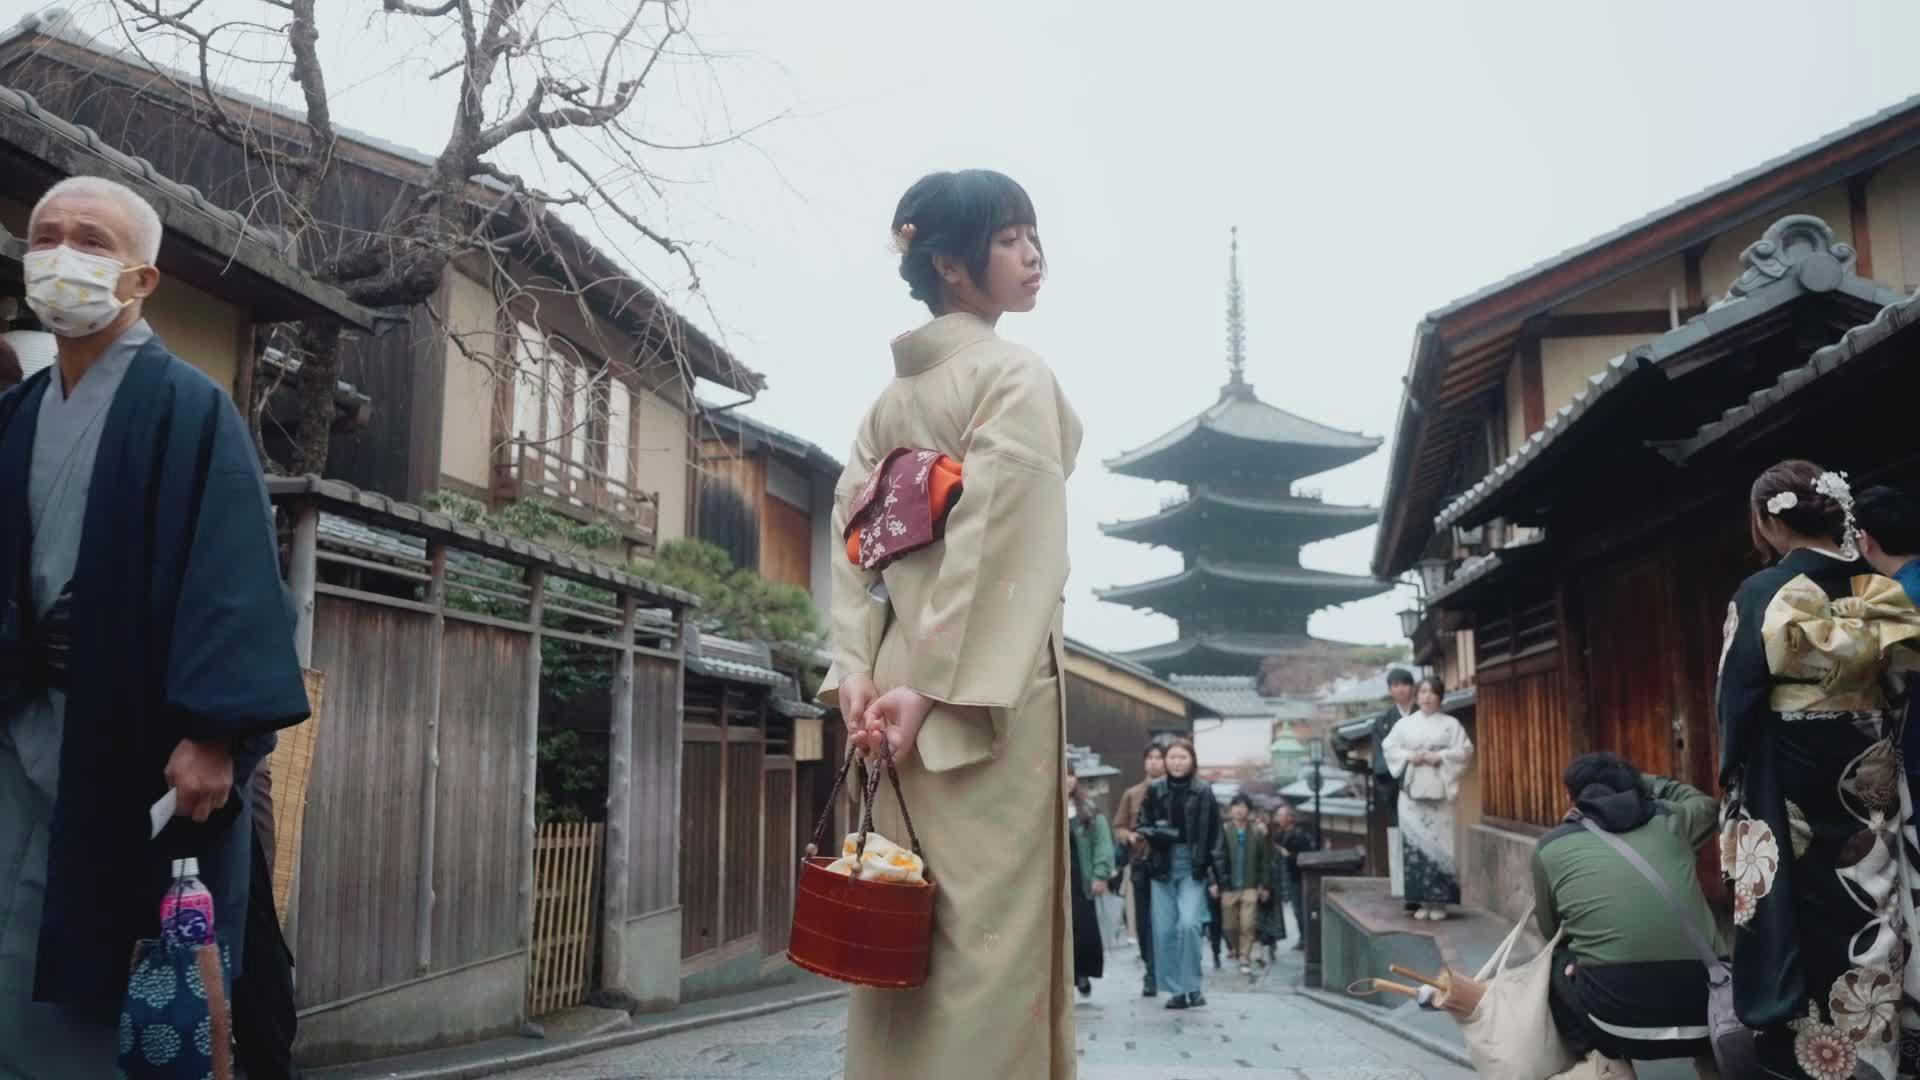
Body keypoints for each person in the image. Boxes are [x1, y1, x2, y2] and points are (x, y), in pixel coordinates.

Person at [0, 176, 310, 1074]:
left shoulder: (188, 406)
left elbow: (232, 575)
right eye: (46, 235)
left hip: (143, 746)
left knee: (134, 971)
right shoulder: (15, 415)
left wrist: (214, 731)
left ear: (141, 280)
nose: (61, 254)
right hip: (22, 727)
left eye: (91, 240)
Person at [821, 169, 1081, 1080]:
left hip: (888, 701)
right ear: (954, 267)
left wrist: (858, 669)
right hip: (977, 696)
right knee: (986, 942)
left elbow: (855, 546)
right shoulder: (1011, 376)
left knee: (905, 935)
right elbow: (1002, 537)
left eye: (1033, 235)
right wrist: (931, 690)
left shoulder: (888, 407)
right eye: (1011, 238)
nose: (1034, 254)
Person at [1718, 460, 1920, 1079]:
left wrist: (1734, 773)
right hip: (1869, 764)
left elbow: (1739, 696)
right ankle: (1882, 1050)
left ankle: (1816, 1060)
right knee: (1873, 894)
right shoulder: (1876, 586)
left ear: (1765, 520)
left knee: (1801, 907)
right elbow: (1901, 682)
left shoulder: (1759, 593)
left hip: (1789, 774)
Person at [1535, 753, 1723, 1071]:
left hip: (1613, 1019)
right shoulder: (1671, 820)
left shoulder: (1550, 846)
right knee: (1708, 1021)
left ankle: (1615, 1069)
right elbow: (1705, 803)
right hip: (1709, 1009)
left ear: (1570, 797)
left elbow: (1550, 929)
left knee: (1557, 964)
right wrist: (1643, 778)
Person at [1380, 676, 1474, 921]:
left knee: (1441, 845)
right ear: (1417, 695)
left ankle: (1440, 902)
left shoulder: (1451, 725)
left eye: (1432, 692)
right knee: (1415, 845)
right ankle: (1420, 900)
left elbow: (1465, 751)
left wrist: (1441, 756)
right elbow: (1389, 747)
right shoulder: (1404, 725)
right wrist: (1410, 756)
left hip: (1439, 794)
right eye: (1422, 691)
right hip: (1412, 795)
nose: (1427, 696)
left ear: (1440, 697)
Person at [1138, 739, 1222, 1010]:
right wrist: (1157, 832)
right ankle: (1176, 991)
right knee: (1164, 931)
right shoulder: (1154, 789)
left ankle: (1193, 986)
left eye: (1182, 757)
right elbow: (1142, 824)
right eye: (1172, 757)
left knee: (1188, 924)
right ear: (1165, 761)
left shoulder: (1204, 791)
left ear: (1192, 760)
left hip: (1192, 864)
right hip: (1162, 863)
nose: (1176, 762)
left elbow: (1216, 835)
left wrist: (1220, 876)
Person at [1111, 742, 1165, 996]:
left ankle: (1165, 969)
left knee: (1165, 920)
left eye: (1159, 758)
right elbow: (1119, 825)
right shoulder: (1132, 793)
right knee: (1143, 921)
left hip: (1168, 863)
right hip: (1141, 862)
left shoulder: (1174, 790)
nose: (1154, 762)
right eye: (1150, 758)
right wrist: (1129, 837)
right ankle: (1150, 971)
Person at [1368, 669, 1418, 913]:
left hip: (1424, 787)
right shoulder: (1383, 722)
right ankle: (1405, 892)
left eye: (1405, 684)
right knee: (1400, 839)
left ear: (1413, 687)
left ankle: (1426, 892)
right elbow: (1381, 761)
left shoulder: (1424, 716)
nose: (1401, 689)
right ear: (1390, 690)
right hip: (1396, 790)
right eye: (1395, 685)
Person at [1066, 765, 1113, 999]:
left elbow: (1102, 844)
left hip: (1081, 879)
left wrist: (1100, 874)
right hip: (1056, 882)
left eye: (1070, 774)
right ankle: (1067, 977)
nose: (1066, 780)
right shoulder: (1044, 809)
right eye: (1062, 774)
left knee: (1083, 929)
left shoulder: (1089, 811)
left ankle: (1082, 973)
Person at [1210, 794, 1269, 975]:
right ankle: (1235, 948)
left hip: (1250, 884)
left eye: (1243, 807)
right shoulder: (1222, 830)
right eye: (1236, 806)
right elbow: (1214, 858)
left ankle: (1244, 956)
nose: (1239, 810)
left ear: (1249, 811)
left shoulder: (1257, 833)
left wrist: (1264, 885)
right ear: (1230, 810)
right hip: (1227, 885)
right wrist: (1214, 882)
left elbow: (1264, 861)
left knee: (1248, 924)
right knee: (1230, 926)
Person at [1266, 804, 1314, 952]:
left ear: (1290, 818)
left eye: (1281, 815)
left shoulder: (1300, 836)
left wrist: (1288, 854)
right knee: (1293, 910)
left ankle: (1306, 940)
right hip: (1282, 877)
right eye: (1278, 815)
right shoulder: (1279, 835)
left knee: (1300, 910)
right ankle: (1301, 939)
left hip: (1296, 876)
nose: (1278, 818)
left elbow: (1307, 857)